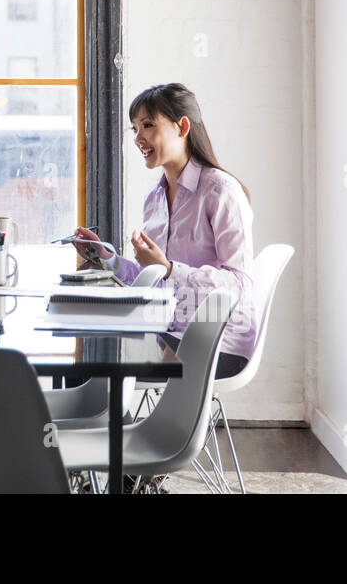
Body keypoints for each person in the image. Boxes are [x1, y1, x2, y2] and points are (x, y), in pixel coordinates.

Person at [72, 82, 256, 379]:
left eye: (147, 125)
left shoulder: (221, 191)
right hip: (171, 329)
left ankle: (134, 424)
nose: (138, 138)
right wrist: (109, 260)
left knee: (103, 366)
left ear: (182, 126)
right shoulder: (155, 198)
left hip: (219, 341)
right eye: (134, 128)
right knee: (91, 350)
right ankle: (120, 423)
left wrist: (170, 269)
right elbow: (157, 280)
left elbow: (240, 285)